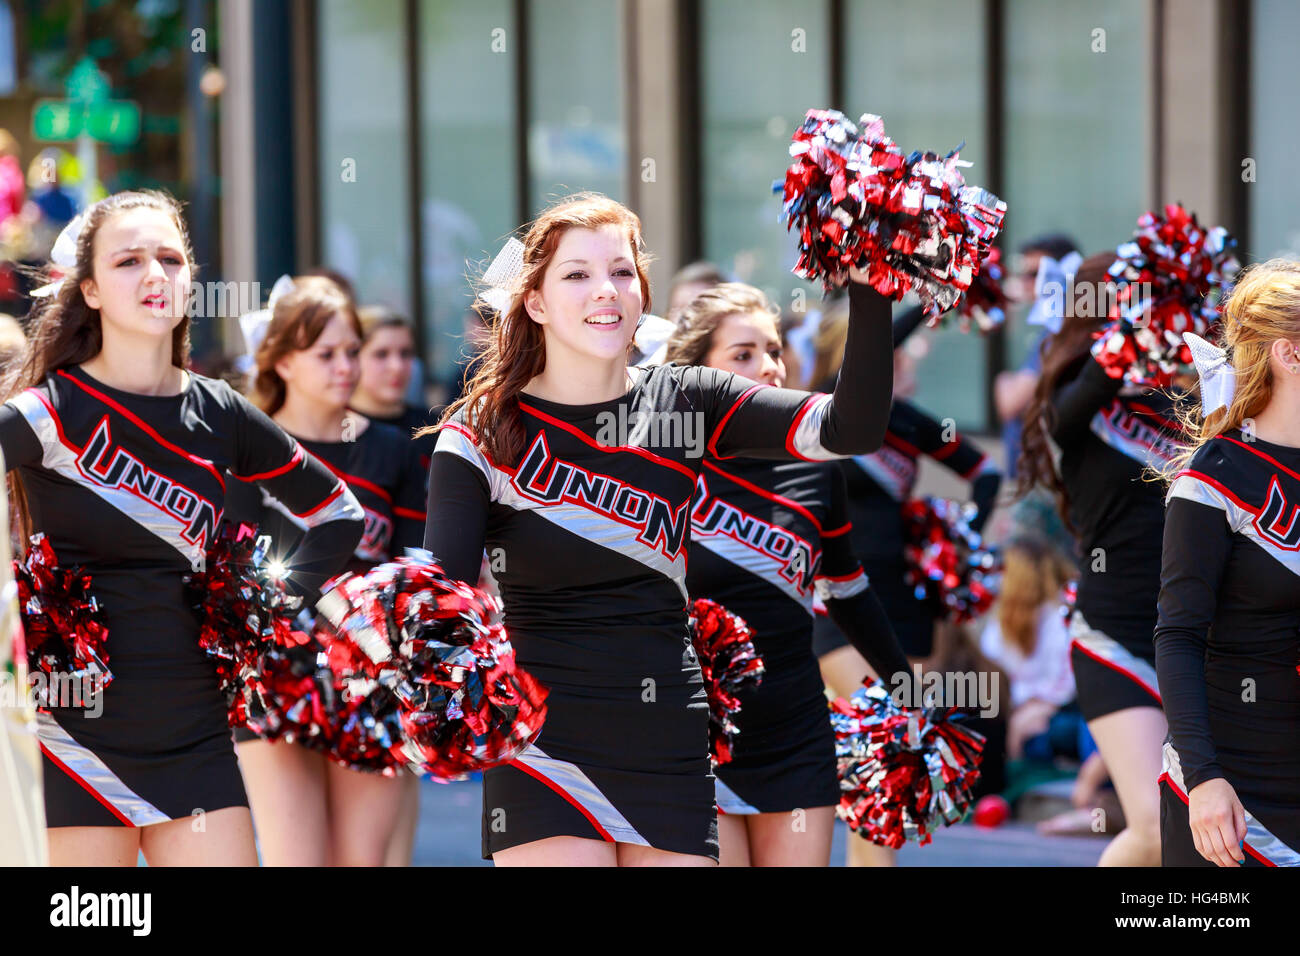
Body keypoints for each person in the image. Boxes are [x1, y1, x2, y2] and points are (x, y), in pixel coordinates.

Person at [422, 192, 895, 866]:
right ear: (534, 302)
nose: (605, 291)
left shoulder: (689, 401)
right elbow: (444, 602)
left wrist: (871, 289)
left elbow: (852, 428)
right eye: (577, 274)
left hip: (667, 739)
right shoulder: (482, 433)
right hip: (544, 743)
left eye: (621, 271)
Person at [0, 190, 363, 865]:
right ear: (91, 291)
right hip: (73, 735)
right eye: (129, 261)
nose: (154, 275)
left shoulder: (220, 412)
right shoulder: (48, 413)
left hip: (195, 733)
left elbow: (338, 514)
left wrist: (268, 609)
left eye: (170, 258)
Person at [664, 283, 910, 866]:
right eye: (743, 354)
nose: (769, 367)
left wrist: (908, 692)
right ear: (698, 373)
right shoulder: (663, 470)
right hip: (694, 734)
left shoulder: (815, 470)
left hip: (796, 733)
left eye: (773, 350)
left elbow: (848, 591)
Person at [227, 275, 426, 867]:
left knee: (360, 862)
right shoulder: (246, 448)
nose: (346, 367)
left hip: (369, 677)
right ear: (283, 361)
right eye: (326, 354)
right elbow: (230, 570)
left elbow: (417, 573)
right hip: (272, 677)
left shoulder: (394, 448)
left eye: (351, 352)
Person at [1017, 252, 1188, 866]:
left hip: (1195, 633)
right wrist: (1132, 332)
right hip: (1114, 632)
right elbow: (1071, 406)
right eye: (1132, 300)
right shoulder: (1077, 401)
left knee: (1210, 827)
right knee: (1154, 825)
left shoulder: (1183, 403)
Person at [1155, 259, 1300, 867]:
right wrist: (1205, 778)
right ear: (1290, 355)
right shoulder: (1215, 475)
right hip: (1233, 792)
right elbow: (1179, 635)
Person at [995, 234, 1081, 481]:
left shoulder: (1061, 330)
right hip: (1037, 474)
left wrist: (1002, 380)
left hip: (1045, 479)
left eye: (1036, 273)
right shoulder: (1052, 327)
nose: (1026, 282)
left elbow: (1010, 402)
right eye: (1024, 274)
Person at [353, 304, 440, 468]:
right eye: (381, 354)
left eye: (405, 353)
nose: (397, 367)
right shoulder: (340, 429)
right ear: (353, 357)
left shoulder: (435, 428)